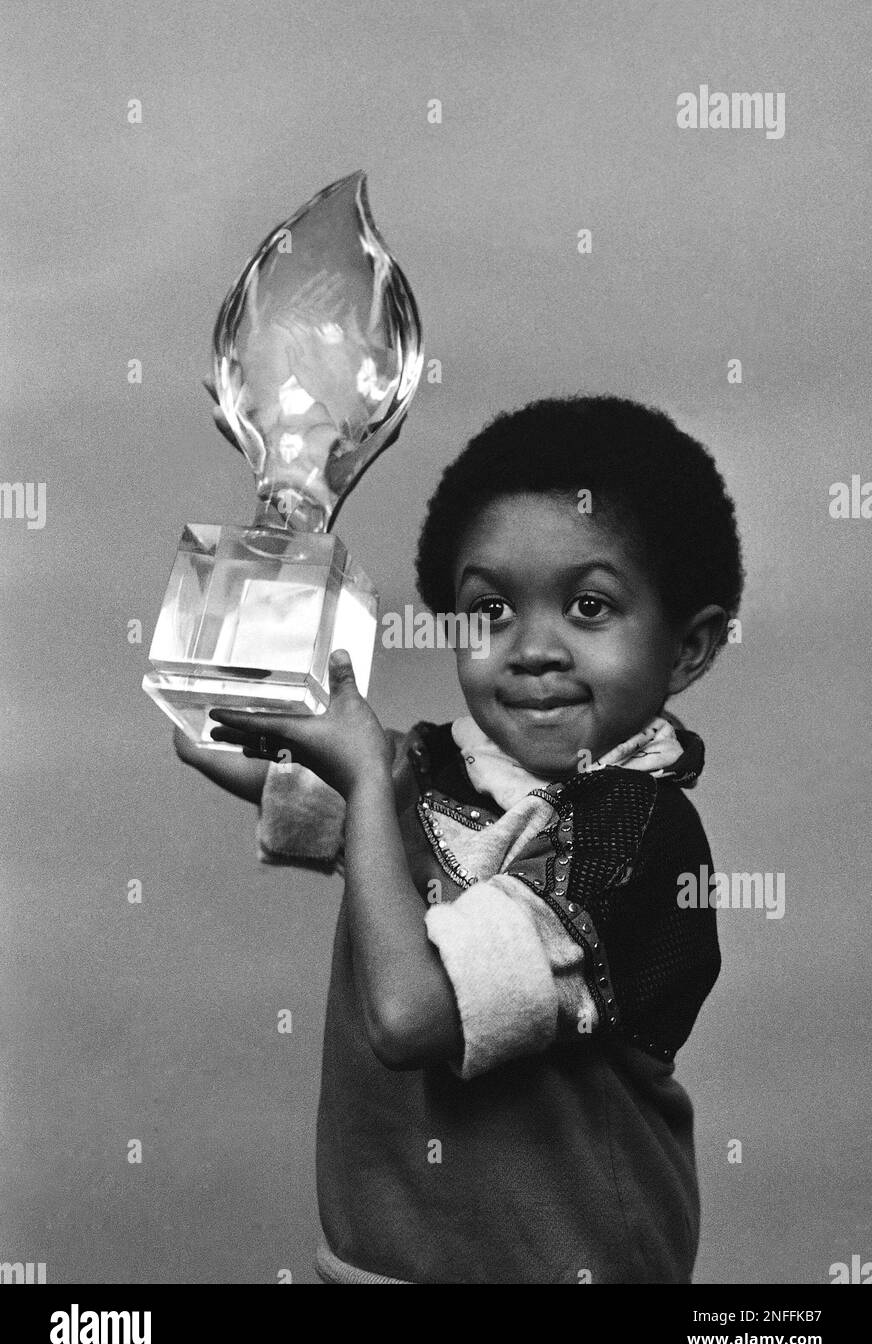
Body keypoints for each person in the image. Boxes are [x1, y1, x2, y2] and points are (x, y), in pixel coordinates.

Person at [176, 394, 744, 1284]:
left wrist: (367, 786)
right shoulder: (435, 773)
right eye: (490, 613)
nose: (532, 649)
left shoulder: (639, 837)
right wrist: (289, 509)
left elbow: (411, 1016)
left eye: (590, 607)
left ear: (689, 648)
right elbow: (207, 731)